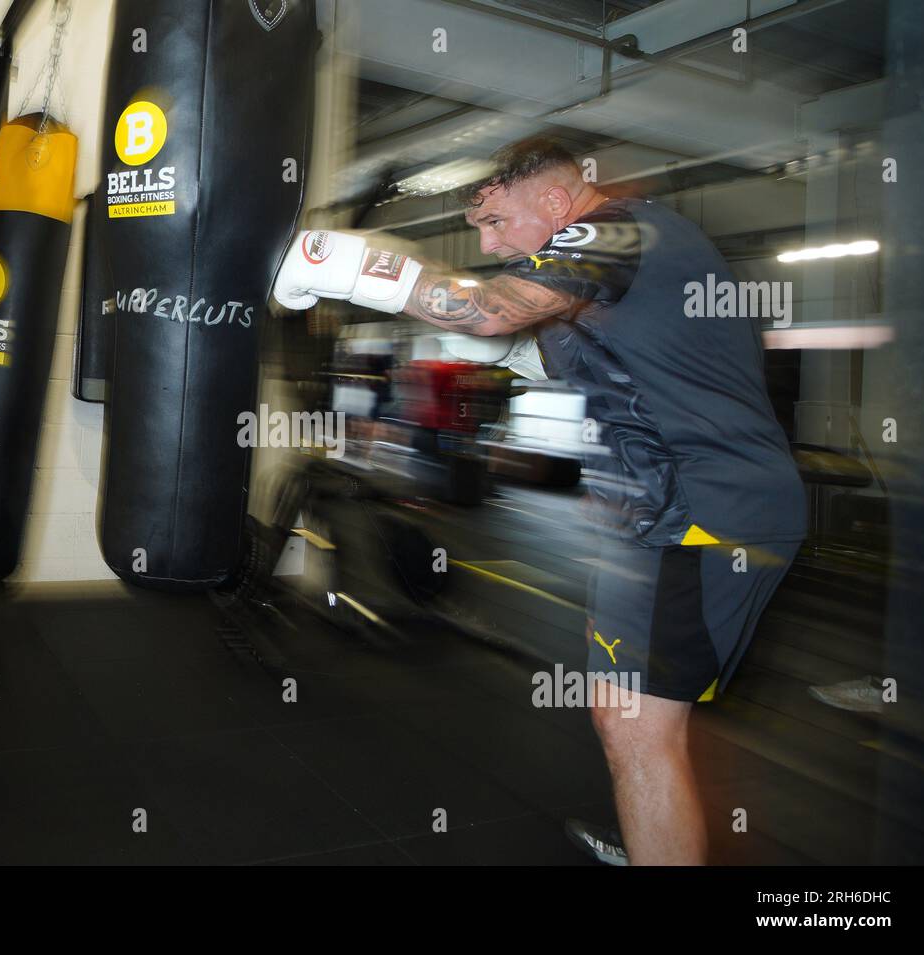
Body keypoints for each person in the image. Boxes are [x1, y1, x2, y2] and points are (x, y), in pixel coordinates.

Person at [271, 137, 807, 864]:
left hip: (701, 514)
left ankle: (662, 841)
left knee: (638, 727)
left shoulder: (620, 228)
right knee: (632, 718)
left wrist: (347, 265)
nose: (489, 243)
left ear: (556, 202)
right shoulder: (605, 280)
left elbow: (492, 310)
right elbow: (528, 345)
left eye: (497, 222)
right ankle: (653, 828)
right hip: (680, 508)